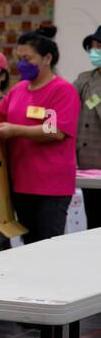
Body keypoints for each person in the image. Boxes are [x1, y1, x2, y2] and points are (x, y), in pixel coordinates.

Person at [0, 26, 80, 243]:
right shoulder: (19, 89)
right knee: (28, 247)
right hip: (21, 183)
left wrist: (15, 130)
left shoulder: (61, 90)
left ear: (47, 58)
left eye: (27, 58)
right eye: (19, 58)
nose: (22, 63)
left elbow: (55, 130)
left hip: (51, 187)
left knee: (48, 246)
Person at [75, 26, 101, 228]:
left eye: (99, 47)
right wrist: (48, 131)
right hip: (87, 165)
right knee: (93, 220)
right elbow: (57, 110)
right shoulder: (84, 79)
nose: (95, 52)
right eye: (92, 47)